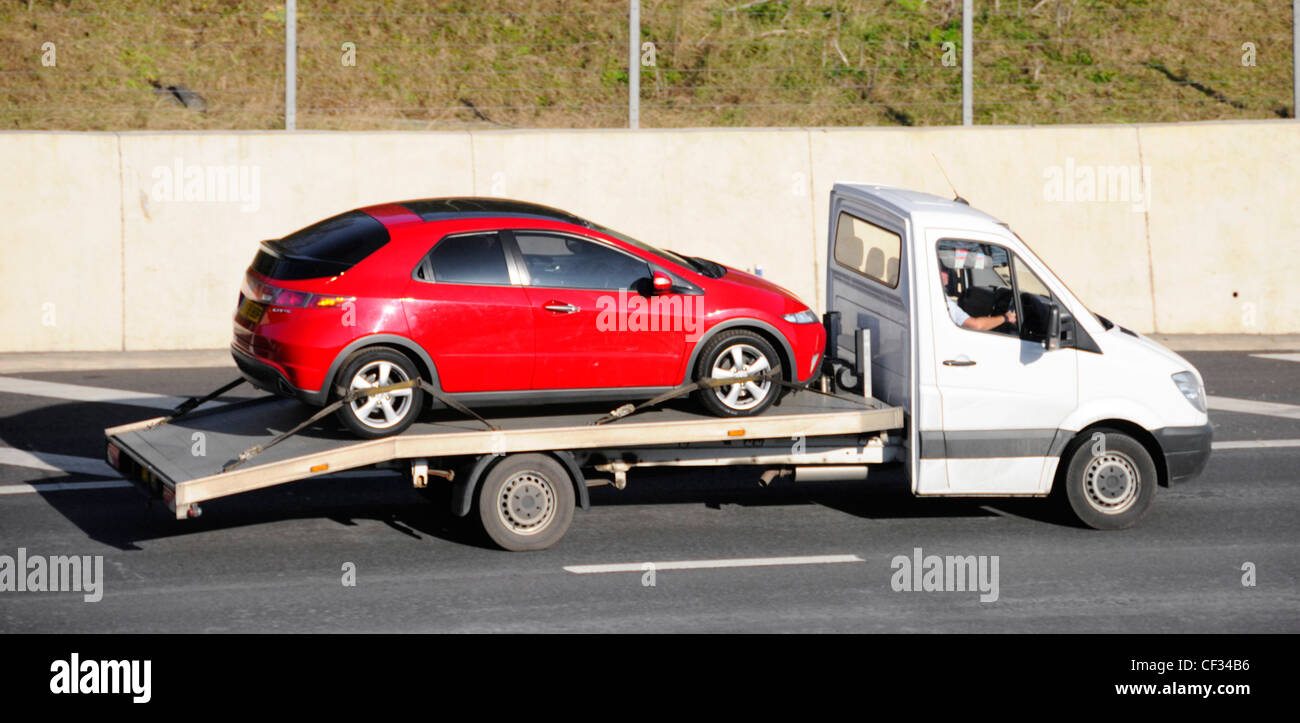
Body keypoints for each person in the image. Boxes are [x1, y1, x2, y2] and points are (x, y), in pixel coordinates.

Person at [940, 267, 1016, 331]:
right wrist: (1006, 317)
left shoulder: (941, 298)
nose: (949, 273)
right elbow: (977, 325)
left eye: (948, 270)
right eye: (944, 270)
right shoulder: (946, 304)